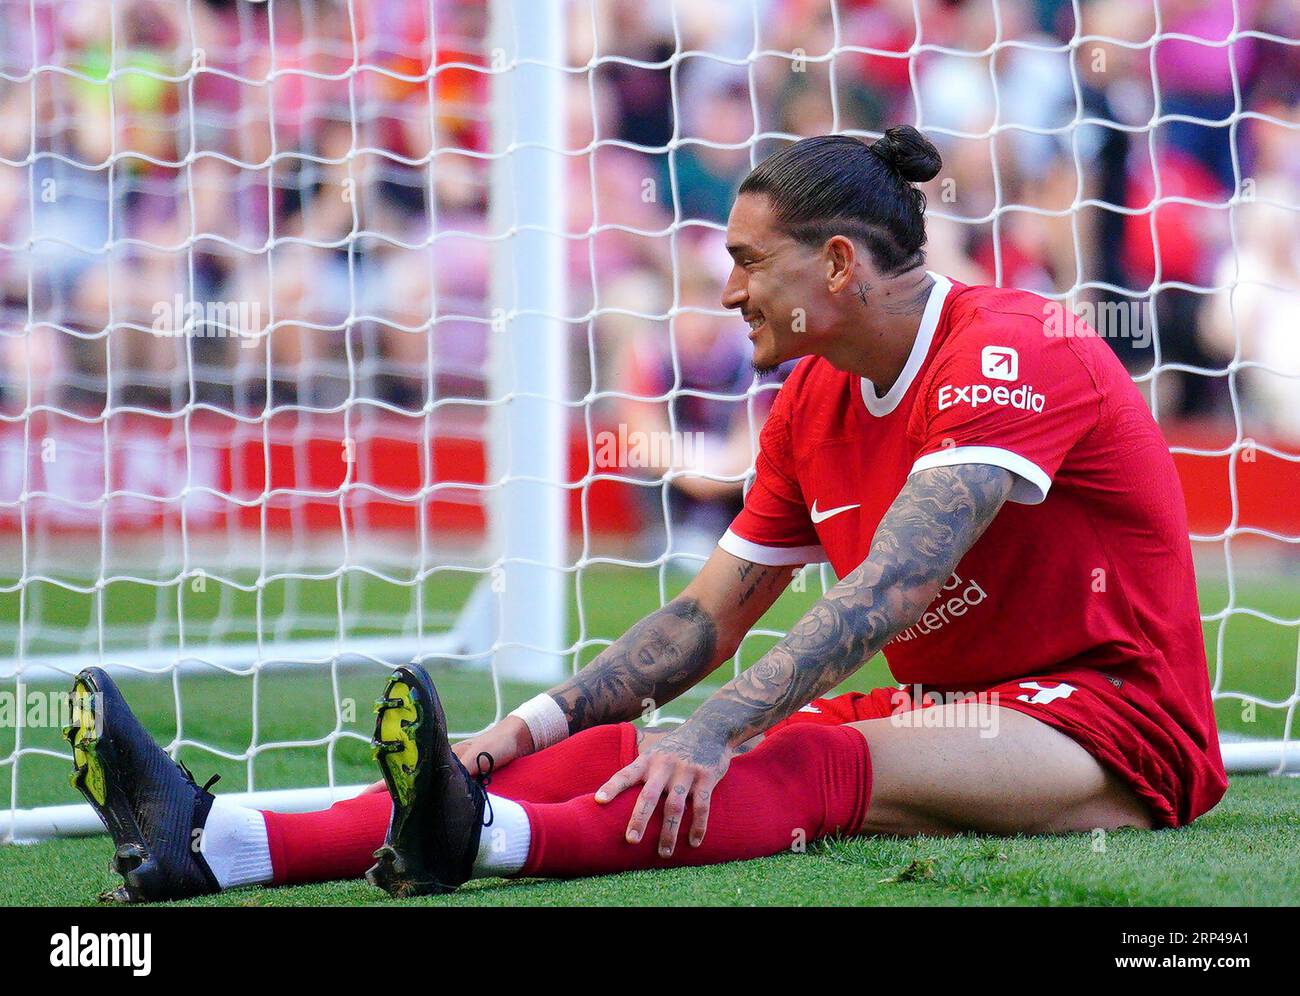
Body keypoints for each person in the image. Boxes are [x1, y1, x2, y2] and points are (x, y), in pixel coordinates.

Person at [63, 127, 1226, 902]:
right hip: (953, 705)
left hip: (1107, 719)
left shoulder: (1012, 352)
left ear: (832, 267)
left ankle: (480, 842)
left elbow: (891, 586)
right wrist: (520, 732)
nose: (725, 289)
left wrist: (718, 726)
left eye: (744, 261)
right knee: (622, 750)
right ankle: (219, 844)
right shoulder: (808, 401)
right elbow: (702, 619)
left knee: (798, 751)